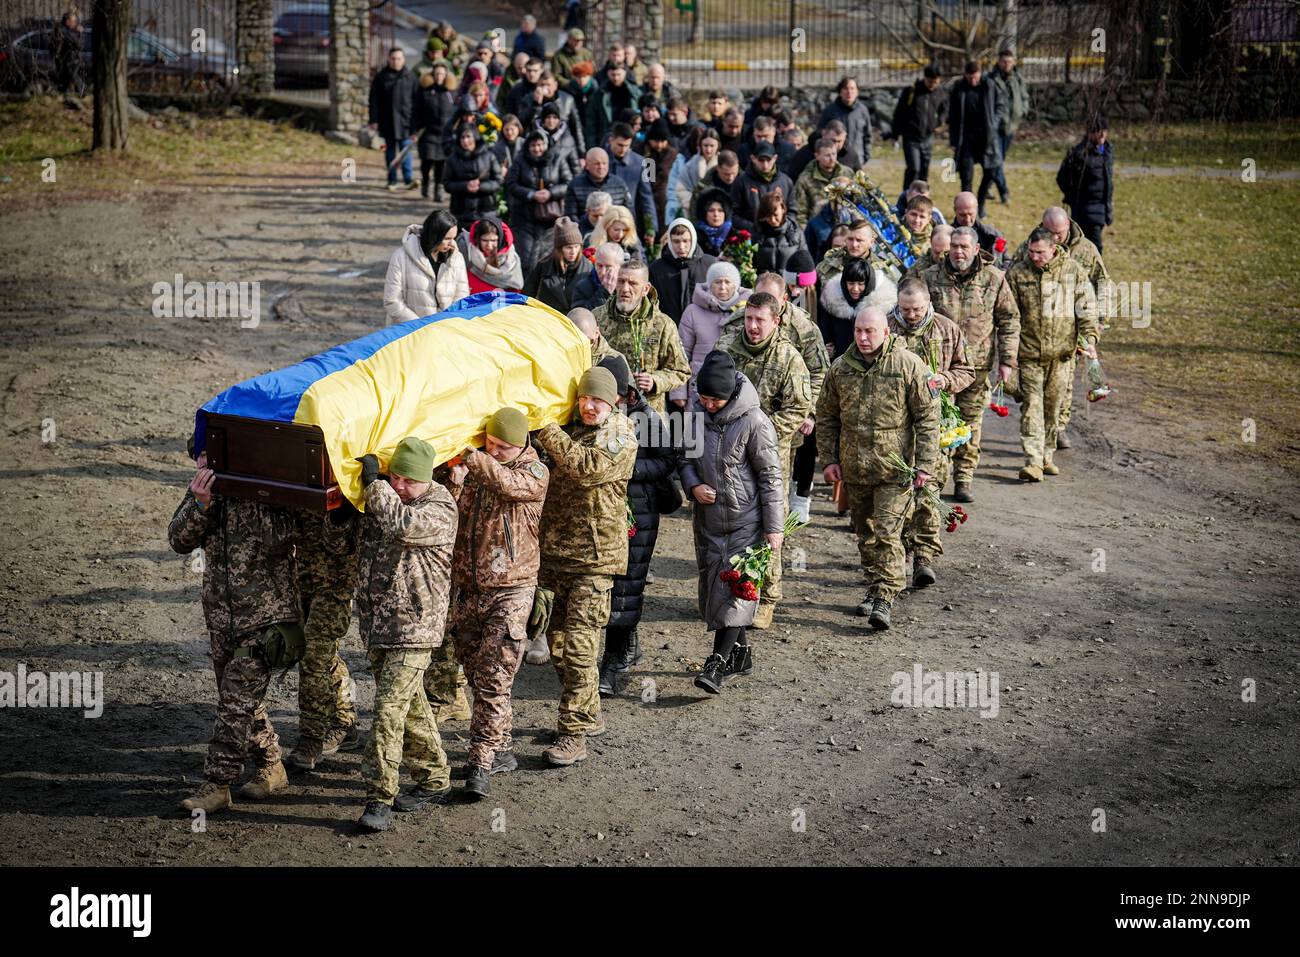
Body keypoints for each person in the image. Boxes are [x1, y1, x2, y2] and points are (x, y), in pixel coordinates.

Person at [170, 443, 298, 814]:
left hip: (266, 619)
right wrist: (201, 504)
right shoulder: (203, 490)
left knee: (234, 701)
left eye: (211, 456)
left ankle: (217, 784)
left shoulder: (265, 489)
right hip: (222, 618)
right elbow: (178, 540)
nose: (204, 463)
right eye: (200, 457)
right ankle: (272, 767)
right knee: (241, 699)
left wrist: (247, 492)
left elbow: (281, 538)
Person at [533, 368, 638, 765]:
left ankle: (572, 734)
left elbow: (586, 467)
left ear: (612, 403)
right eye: (584, 398)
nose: (590, 406)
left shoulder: (619, 433)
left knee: (580, 649)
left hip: (595, 559)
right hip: (555, 555)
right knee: (558, 646)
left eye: (598, 400)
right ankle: (588, 713)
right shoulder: (568, 425)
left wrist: (545, 428)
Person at [352, 438, 458, 832]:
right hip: (380, 625)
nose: (397, 486)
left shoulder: (439, 509)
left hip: (415, 628)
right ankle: (434, 778)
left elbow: (403, 526)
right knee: (410, 706)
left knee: (387, 711)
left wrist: (375, 484)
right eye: (393, 477)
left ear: (425, 480)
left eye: (406, 481)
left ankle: (379, 796)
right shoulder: (387, 501)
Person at [443, 409, 547, 798]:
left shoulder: (533, 473)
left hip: (512, 590)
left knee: (492, 679)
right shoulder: (478, 467)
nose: (497, 452)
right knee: (477, 675)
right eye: (491, 445)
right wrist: (455, 481)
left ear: (522, 445)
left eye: (505, 447)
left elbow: (506, 483)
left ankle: (480, 763)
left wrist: (471, 455)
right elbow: (448, 514)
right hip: (469, 589)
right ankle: (501, 747)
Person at [816, 307, 939, 630]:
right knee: (865, 533)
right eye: (859, 331)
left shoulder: (908, 366)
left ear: (886, 332)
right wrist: (828, 460)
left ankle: (885, 595)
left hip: (894, 470)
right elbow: (826, 417)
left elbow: (928, 418)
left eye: (870, 331)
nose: (864, 337)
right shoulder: (840, 369)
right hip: (855, 469)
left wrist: (925, 465)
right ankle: (874, 586)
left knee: (887, 533)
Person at [681, 351, 784, 692]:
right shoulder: (694, 415)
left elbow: (770, 477)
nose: (709, 404)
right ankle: (741, 655)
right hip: (709, 520)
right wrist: (693, 485)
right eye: (704, 398)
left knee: (735, 587)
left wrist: (774, 528)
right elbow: (683, 458)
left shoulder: (755, 422)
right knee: (716, 587)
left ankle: (716, 663)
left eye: (716, 399)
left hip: (747, 521)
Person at [721, 291, 811, 629]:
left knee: (768, 521)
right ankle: (731, 587)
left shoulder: (788, 357)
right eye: (749, 318)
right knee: (731, 516)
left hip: (770, 453)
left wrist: (763, 431)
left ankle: (768, 596)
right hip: (729, 451)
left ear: (776, 321)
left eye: (761, 320)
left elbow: (798, 407)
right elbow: (712, 392)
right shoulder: (728, 349)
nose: (753, 326)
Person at [920, 226, 1020, 503]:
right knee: (938, 422)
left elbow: (1009, 320)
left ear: (977, 249)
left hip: (976, 367)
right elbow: (914, 316)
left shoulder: (994, 279)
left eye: (964, 246)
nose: (958, 251)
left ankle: (964, 477)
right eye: (954, 246)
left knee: (970, 423)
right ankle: (936, 479)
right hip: (938, 367)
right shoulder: (930, 277)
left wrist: (1007, 360)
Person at [597, 355, 677, 696]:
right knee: (612, 587)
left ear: (626, 392)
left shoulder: (646, 418)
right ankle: (626, 645)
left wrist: (631, 472)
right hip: (606, 512)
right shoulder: (598, 416)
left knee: (627, 587)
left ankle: (612, 662)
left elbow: (667, 461)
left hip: (639, 514)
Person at [721, 272, 828, 523]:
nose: (753, 324)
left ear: (783, 298)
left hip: (779, 423)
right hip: (734, 430)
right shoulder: (736, 323)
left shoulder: (803, 329)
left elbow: (819, 371)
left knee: (772, 497)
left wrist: (809, 412)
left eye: (771, 298)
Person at [888, 279, 975, 587]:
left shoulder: (946, 329)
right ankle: (898, 554)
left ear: (928, 304)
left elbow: (967, 371)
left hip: (934, 423)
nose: (911, 315)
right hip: (894, 425)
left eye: (917, 309)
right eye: (905, 309)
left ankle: (924, 554)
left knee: (929, 488)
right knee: (896, 493)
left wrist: (946, 378)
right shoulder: (886, 328)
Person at [1009, 207, 1110, 448]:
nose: (1055, 237)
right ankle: (1037, 430)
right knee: (1031, 389)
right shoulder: (1030, 247)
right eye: (1050, 232)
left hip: (1070, 327)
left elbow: (1102, 283)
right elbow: (1013, 278)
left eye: (1059, 233)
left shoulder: (1086, 250)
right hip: (1034, 329)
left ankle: (1058, 427)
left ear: (1068, 226)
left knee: (1062, 383)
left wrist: (1099, 320)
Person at [1004, 229, 1099, 482]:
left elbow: (1087, 308)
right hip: (1029, 355)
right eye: (1032, 252)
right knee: (1032, 407)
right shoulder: (1017, 274)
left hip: (1062, 356)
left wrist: (1090, 339)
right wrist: (1009, 355)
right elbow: (1009, 316)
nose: (1035, 257)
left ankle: (1047, 455)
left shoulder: (1073, 272)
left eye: (1040, 253)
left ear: (1054, 248)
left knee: (1053, 408)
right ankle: (1032, 461)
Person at [286, 509, 360, 771]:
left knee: (313, 655)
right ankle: (343, 719)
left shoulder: (342, 472)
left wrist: (339, 513)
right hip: (301, 571)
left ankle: (311, 738)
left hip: (336, 581)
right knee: (322, 652)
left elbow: (343, 543)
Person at [594, 260, 691, 415]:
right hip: (605, 411)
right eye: (621, 281)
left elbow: (681, 371)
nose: (625, 289)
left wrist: (655, 381)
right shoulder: (597, 318)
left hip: (647, 414)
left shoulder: (662, 324)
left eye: (632, 283)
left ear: (645, 289)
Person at [676, 261, 749, 407]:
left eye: (727, 282)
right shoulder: (692, 311)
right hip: (698, 389)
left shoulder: (746, 311)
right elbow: (681, 353)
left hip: (733, 388)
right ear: (710, 284)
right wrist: (678, 391)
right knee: (696, 428)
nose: (722, 287)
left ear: (735, 285)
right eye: (717, 282)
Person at [384, 209, 470, 325]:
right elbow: (392, 300)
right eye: (446, 239)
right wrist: (420, 325)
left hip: (445, 330)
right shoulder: (401, 257)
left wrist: (449, 321)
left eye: (453, 238)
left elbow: (462, 295)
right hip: (409, 332)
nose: (451, 243)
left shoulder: (457, 258)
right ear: (434, 235)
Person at [507, 129, 574, 274]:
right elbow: (511, 184)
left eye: (540, 145)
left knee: (546, 261)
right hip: (524, 218)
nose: (537, 149)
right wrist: (531, 194)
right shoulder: (520, 161)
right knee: (525, 260)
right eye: (533, 145)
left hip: (549, 221)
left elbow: (568, 183)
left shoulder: (557, 159)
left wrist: (551, 193)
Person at [948, 60, 1006, 218]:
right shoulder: (959, 89)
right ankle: (966, 208)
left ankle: (980, 203)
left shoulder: (990, 86)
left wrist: (994, 123)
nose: (972, 80)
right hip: (966, 139)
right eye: (969, 77)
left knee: (991, 171)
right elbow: (952, 116)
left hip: (987, 137)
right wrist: (953, 140)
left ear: (980, 73)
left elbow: (1000, 105)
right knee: (966, 176)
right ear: (965, 74)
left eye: (975, 76)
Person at [1056, 115, 1114, 253]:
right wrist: (1073, 198)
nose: (1101, 135)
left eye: (1104, 131)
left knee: (1094, 246)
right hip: (1084, 209)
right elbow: (1062, 178)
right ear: (1089, 133)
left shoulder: (1107, 150)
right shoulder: (1079, 154)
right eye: (1097, 131)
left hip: (1101, 207)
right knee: (1088, 246)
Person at [887, 64, 947, 193]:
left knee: (924, 169)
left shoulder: (940, 92)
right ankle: (906, 194)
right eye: (930, 81)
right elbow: (899, 113)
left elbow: (945, 109)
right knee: (914, 168)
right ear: (925, 78)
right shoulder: (911, 91)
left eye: (936, 82)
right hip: (911, 137)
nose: (932, 85)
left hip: (928, 137)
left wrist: (939, 122)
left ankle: (922, 196)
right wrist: (895, 134)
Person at [649, 217, 717, 325]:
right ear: (669, 242)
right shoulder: (656, 269)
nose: (681, 247)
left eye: (686, 241)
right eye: (676, 241)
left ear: (693, 239)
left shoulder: (710, 264)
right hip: (668, 331)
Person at [369, 47, 419, 191]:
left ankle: (408, 180)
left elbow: (416, 102)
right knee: (390, 152)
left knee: (406, 152)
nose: (396, 61)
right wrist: (374, 119)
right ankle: (392, 181)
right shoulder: (381, 77)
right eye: (393, 58)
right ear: (389, 59)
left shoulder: (411, 77)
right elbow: (374, 100)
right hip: (387, 121)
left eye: (399, 58)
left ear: (403, 60)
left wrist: (416, 125)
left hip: (406, 122)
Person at [989, 49, 1031, 204]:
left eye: (1009, 61)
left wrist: (1023, 111)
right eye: (1004, 61)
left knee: (999, 159)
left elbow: (1025, 97)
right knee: (997, 160)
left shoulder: (1018, 78)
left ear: (1014, 62)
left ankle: (988, 185)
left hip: (1011, 126)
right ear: (999, 62)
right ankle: (1004, 192)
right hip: (996, 127)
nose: (1007, 64)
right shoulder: (991, 79)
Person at [524, 217, 592, 313]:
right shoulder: (544, 265)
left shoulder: (588, 268)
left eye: (576, 247)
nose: (573, 251)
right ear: (559, 248)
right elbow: (527, 294)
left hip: (575, 321)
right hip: (548, 318)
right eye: (569, 247)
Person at [607, 122, 659, 244]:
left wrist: (651, 227)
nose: (623, 149)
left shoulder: (644, 163)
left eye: (627, 146)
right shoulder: (601, 160)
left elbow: (647, 197)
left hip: (629, 223)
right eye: (619, 145)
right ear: (611, 140)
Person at [444, 125, 504, 230]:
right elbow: (447, 183)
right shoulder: (452, 159)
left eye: (468, 136)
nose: (465, 140)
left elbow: (498, 181)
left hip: (486, 210)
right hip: (461, 211)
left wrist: (480, 186)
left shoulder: (489, 156)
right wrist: (465, 186)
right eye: (462, 137)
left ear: (475, 137)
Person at [731, 142, 795, 234]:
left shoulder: (786, 182)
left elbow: (792, 211)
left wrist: (782, 226)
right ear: (753, 158)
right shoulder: (741, 182)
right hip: (751, 237)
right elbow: (733, 214)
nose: (765, 165)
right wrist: (754, 227)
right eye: (761, 160)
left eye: (768, 160)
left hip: (780, 235)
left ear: (775, 158)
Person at [413, 64, 455, 201]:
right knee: (426, 162)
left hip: (444, 134)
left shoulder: (450, 93)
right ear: (432, 75)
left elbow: (455, 113)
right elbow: (417, 111)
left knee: (441, 165)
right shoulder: (425, 92)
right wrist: (416, 128)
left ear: (446, 76)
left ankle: (438, 188)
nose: (439, 77)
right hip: (428, 132)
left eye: (442, 74)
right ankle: (425, 182)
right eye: (437, 74)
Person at [793, 136, 855, 229]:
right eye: (827, 155)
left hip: (845, 227)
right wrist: (807, 234)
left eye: (834, 154)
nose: (832, 158)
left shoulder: (847, 173)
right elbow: (800, 213)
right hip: (818, 229)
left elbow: (857, 202)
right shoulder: (805, 179)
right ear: (817, 156)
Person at [563, 147, 633, 224]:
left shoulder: (619, 184)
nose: (601, 167)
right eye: (597, 163)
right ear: (587, 165)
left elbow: (628, 212)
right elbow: (571, 216)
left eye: (604, 163)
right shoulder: (575, 185)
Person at [817, 77, 873, 168]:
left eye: (852, 88)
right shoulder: (830, 111)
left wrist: (867, 155)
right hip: (835, 161)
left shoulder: (862, 110)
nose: (849, 92)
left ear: (857, 91)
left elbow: (868, 135)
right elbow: (820, 133)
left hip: (858, 160)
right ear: (840, 91)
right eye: (846, 88)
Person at [462, 216, 524, 293]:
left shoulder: (511, 259)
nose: (489, 245)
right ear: (477, 238)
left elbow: (516, 291)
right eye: (485, 240)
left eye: (494, 240)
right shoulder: (466, 252)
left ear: (500, 240)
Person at [670, 127, 720, 224]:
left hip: (718, 213)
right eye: (705, 145)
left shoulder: (722, 163)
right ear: (700, 145)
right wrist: (695, 202)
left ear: (718, 145)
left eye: (712, 146)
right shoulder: (691, 164)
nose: (708, 149)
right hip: (693, 211)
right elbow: (681, 188)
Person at [753, 189, 808, 276]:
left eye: (775, 215)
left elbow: (804, 263)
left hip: (789, 285)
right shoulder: (756, 233)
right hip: (764, 285)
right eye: (768, 216)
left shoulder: (796, 233)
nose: (772, 220)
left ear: (783, 209)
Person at [788, 119, 861, 182]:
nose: (835, 145)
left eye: (839, 141)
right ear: (824, 135)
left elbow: (860, 180)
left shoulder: (851, 155)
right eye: (833, 140)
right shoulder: (804, 154)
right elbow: (792, 180)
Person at [641, 119, 679, 233]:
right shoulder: (642, 153)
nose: (659, 145)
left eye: (663, 141)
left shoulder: (672, 154)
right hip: (646, 201)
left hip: (666, 202)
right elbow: (648, 179)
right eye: (656, 141)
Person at [951, 191, 1007, 265]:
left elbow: (1006, 260)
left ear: (977, 209)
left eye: (971, 214)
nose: (967, 219)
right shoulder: (947, 236)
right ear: (955, 210)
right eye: (962, 215)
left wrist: (1001, 274)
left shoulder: (993, 235)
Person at [594, 64, 642, 146]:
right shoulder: (600, 94)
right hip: (607, 136)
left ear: (624, 74)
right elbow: (592, 122)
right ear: (608, 74)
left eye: (618, 75)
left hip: (630, 136)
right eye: (613, 75)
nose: (616, 78)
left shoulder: (635, 93)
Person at [570, 241, 625, 311]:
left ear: (620, 266)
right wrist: (603, 293)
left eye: (608, 266)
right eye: (599, 265)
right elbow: (580, 316)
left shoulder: (628, 286)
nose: (602, 272)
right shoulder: (582, 287)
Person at [565, 61, 602, 152]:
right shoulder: (570, 90)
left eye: (584, 77)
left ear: (590, 76)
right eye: (578, 77)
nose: (581, 80)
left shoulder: (596, 91)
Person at [692, 186, 738, 258]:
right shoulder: (694, 236)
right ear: (703, 213)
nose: (716, 214)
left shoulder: (736, 236)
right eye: (711, 210)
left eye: (720, 210)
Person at [53, 11, 85, 98]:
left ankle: (65, 95)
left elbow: (80, 45)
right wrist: (80, 33)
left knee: (67, 79)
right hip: (69, 60)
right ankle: (82, 92)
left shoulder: (68, 31)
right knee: (72, 77)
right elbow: (78, 45)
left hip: (70, 60)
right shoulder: (64, 31)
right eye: (73, 21)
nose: (75, 23)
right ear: (67, 21)